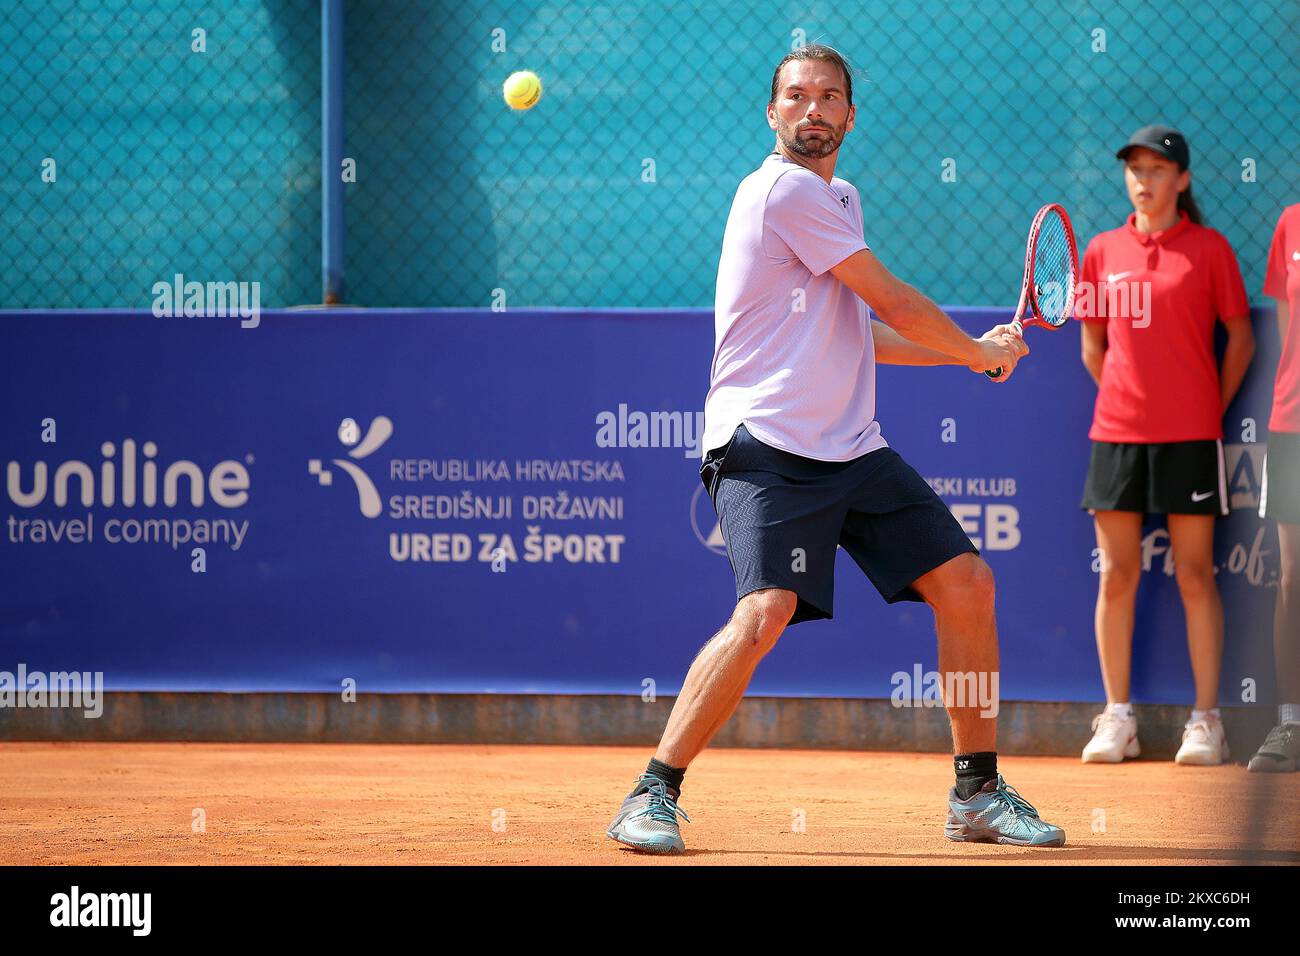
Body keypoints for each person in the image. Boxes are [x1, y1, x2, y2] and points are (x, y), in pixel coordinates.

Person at [605, 44, 1064, 854]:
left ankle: (977, 792)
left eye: (829, 97)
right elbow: (891, 295)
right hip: (766, 443)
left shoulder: (840, 197)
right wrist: (971, 353)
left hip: (851, 446)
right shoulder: (781, 191)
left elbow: (867, 331)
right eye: (796, 96)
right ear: (772, 112)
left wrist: (973, 349)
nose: (813, 109)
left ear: (851, 114)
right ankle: (652, 792)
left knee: (967, 584)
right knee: (765, 612)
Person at [1077, 125, 1253, 765]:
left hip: (1190, 439)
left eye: (1157, 169)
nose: (1143, 180)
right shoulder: (1101, 251)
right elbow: (1092, 346)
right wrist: (1130, 398)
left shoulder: (1209, 250)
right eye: (1135, 169)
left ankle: (1207, 721)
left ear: (1181, 180)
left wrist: (1206, 407)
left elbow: (1242, 340)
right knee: (1116, 576)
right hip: (1117, 436)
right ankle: (1117, 719)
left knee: (1196, 575)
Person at [1248, 203, 1300, 772]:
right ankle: (1292, 722)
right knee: (1294, 575)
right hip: (1295, 423)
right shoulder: (1289, 221)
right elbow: (1291, 328)